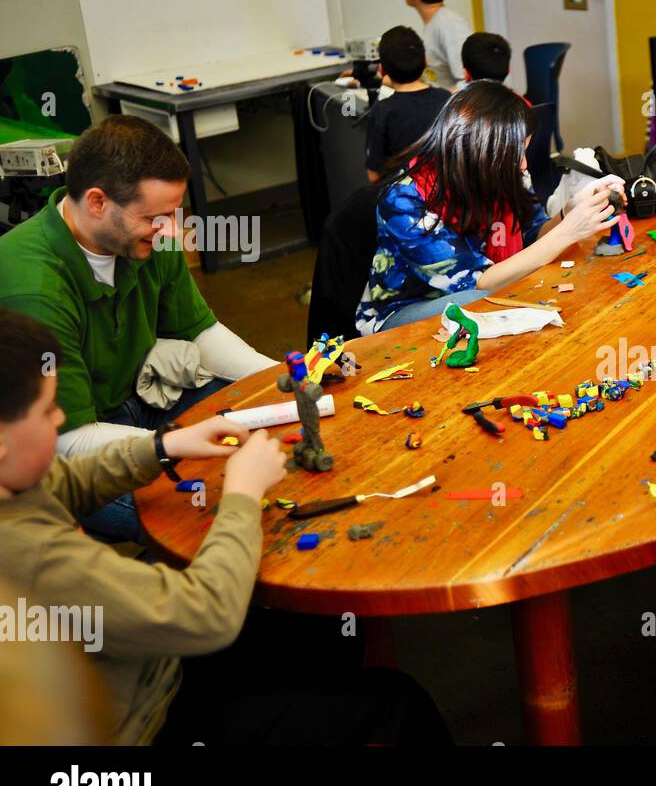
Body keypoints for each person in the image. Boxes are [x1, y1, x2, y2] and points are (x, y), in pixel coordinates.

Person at [0, 309, 451, 745]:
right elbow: (205, 614)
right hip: (152, 720)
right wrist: (241, 495)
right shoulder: (36, 558)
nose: (61, 419)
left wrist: (165, 445)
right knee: (399, 704)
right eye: (46, 412)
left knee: (328, 631)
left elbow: (68, 483)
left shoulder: (14, 491)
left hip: (142, 663)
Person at [0, 115, 276, 544]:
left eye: (174, 213)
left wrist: (277, 380)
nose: (172, 230)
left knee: (267, 425)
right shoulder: (33, 289)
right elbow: (68, 438)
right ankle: (181, 586)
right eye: (157, 217)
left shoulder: (149, 233)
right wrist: (176, 445)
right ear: (97, 202)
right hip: (59, 450)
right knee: (213, 514)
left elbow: (200, 332)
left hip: (139, 402)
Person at [356, 81, 623, 335]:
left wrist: (569, 211)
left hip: (484, 292)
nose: (523, 165)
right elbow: (478, 282)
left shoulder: (502, 172)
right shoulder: (406, 200)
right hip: (406, 311)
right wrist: (568, 231)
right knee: (480, 301)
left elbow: (533, 235)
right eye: (514, 154)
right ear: (480, 151)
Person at [366, 25, 452, 183]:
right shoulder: (446, 99)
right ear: (426, 61)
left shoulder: (383, 111)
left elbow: (374, 174)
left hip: (404, 200)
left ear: (383, 70)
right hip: (445, 196)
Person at [401, 0, 472, 91]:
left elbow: (469, 80)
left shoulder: (449, 25)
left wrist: (439, 103)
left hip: (449, 106)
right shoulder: (438, 22)